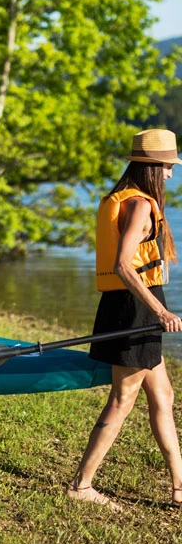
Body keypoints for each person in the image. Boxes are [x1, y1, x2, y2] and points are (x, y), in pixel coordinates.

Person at [68, 128, 182, 508]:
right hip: (135, 308)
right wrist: (160, 310)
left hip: (132, 305)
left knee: (163, 394)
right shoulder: (139, 205)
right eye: (167, 167)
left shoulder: (123, 197)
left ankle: (180, 487)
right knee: (122, 398)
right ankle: (81, 486)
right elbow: (122, 265)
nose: (170, 174)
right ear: (151, 167)